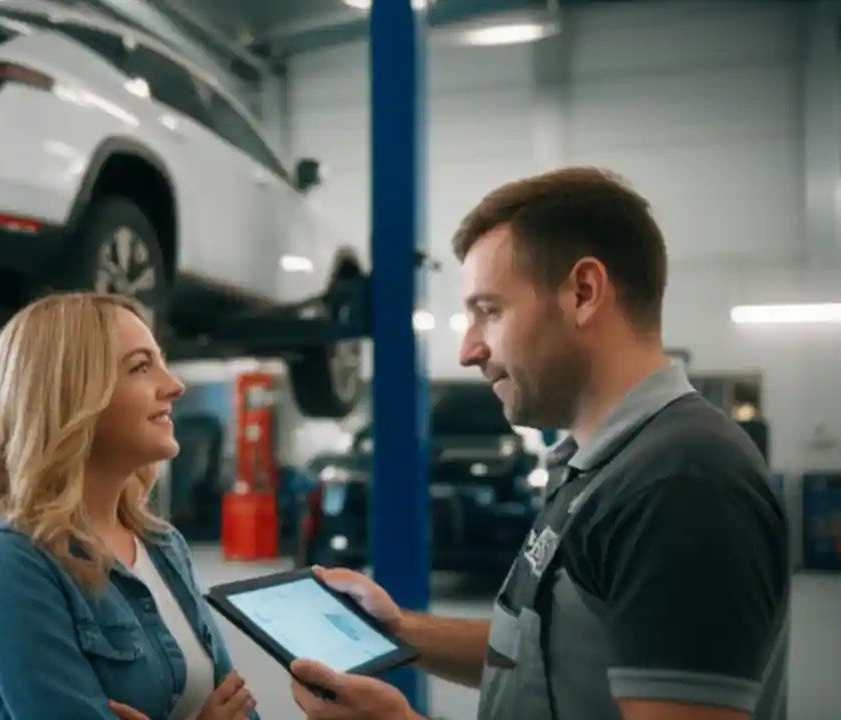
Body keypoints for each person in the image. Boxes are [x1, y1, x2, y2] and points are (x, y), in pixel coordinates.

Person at [289, 167, 790, 720]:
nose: (468, 350)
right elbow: (550, 655)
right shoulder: (602, 466)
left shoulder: (681, 482)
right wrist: (397, 629)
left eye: (489, 312)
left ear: (583, 293)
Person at [0, 292, 259, 720]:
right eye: (141, 367)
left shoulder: (162, 544)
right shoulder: (9, 556)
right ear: (70, 396)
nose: (174, 386)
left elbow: (238, 706)